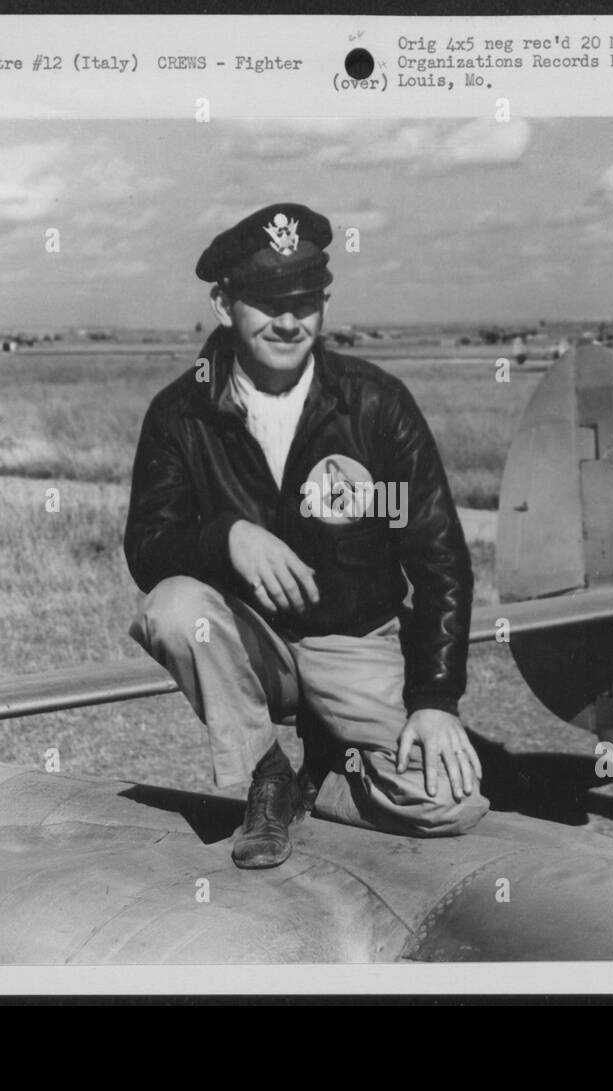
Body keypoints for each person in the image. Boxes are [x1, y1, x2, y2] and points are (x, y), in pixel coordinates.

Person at [124, 202, 488, 869]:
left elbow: (437, 553)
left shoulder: (374, 404)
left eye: (305, 301)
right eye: (266, 302)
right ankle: (267, 776)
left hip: (355, 634)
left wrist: (436, 701)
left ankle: (322, 775)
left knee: (447, 803)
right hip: (249, 638)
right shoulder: (182, 413)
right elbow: (147, 546)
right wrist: (224, 537)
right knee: (173, 610)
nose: (289, 321)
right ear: (223, 301)